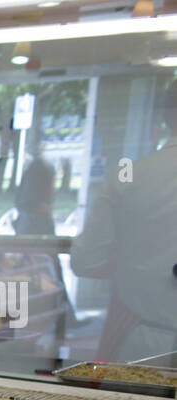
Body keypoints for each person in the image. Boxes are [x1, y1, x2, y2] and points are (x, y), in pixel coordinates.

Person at [70, 80, 177, 362]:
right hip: (142, 335)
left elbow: (86, 260)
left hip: (139, 340)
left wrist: (135, 263)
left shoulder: (130, 175)